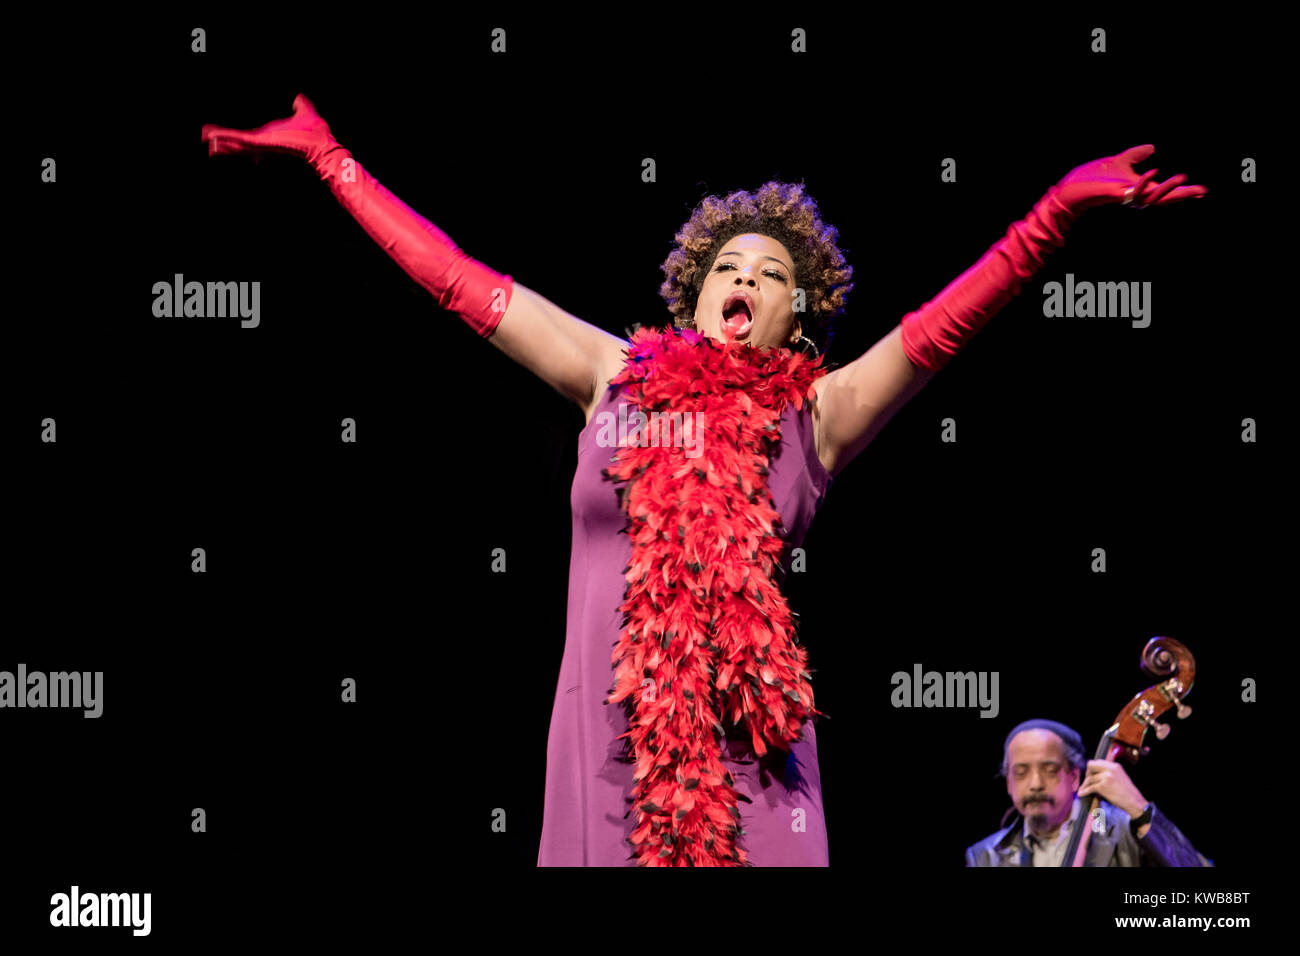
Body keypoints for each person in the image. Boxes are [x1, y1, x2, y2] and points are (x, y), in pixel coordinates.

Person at [201, 95, 1207, 866]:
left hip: (751, 762)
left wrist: (1054, 218)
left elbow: (944, 324)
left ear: (795, 316)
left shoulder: (816, 415)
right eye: (729, 264)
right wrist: (330, 160)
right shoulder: (608, 373)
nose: (745, 279)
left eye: (770, 273)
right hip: (601, 737)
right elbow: (458, 280)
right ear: (693, 293)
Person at [966, 719, 1212, 866]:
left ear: (1074, 777)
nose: (1035, 783)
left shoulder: (1121, 827)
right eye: (1020, 772)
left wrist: (1138, 808)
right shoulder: (984, 855)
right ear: (1008, 782)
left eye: (1050, 770)